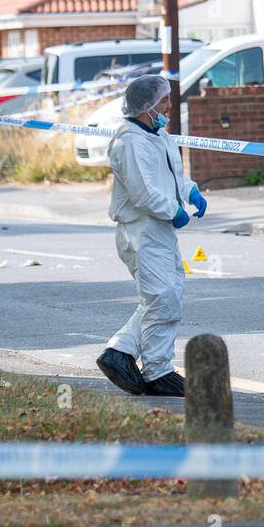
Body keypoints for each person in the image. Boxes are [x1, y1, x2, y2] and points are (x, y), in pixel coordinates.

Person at [96, 74, 207, 397]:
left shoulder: (159, 135)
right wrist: (173, 210)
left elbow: (173, 176)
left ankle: (121, 352)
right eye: (164, 102)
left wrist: (190, 192)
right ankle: (157, 371)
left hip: (159, 229)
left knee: (166, 296)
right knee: (162, 297)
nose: (169, 106)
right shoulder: (129, 142)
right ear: (146, 106)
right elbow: (143, 193)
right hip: (140, 231)